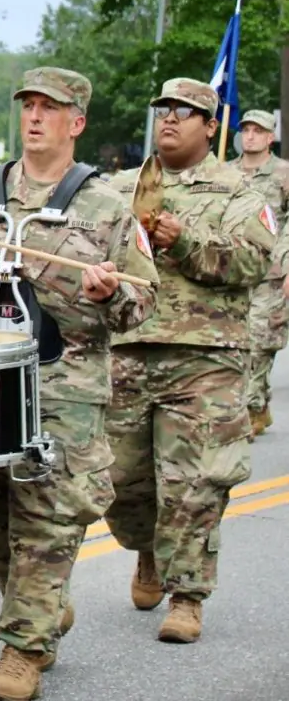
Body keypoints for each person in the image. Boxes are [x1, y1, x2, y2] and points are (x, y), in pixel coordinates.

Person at [0, 68, 157, 701]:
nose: (36, 117)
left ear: (78, 122)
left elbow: (143, 296)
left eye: (51, 108)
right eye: (29, 106)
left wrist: (112, 289)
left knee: (46, 513)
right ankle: (39, 604)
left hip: (64, 383)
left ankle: (23, 649)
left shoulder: (105, 205)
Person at [104, 78, 275, 646]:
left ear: (210, 125)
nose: (169, 119)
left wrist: (184, 240)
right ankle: (147, 550)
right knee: (122, 483)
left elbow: (253, 261)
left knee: (197, 484)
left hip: (205, 357)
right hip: (126, 350)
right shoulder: (119, 188)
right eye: (162, 110)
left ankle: (187, 596)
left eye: (184, 111)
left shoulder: (238, 192)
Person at [225, 109, 289, 435]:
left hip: (271, 271)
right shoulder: (226, 173)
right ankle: (258, 404)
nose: (250, 135)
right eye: (246, 129)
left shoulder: (283, 173)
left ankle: (249, 411)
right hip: (233, 269)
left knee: (260, 342)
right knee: (236, 341)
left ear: (269, 136)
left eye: (257, 130)